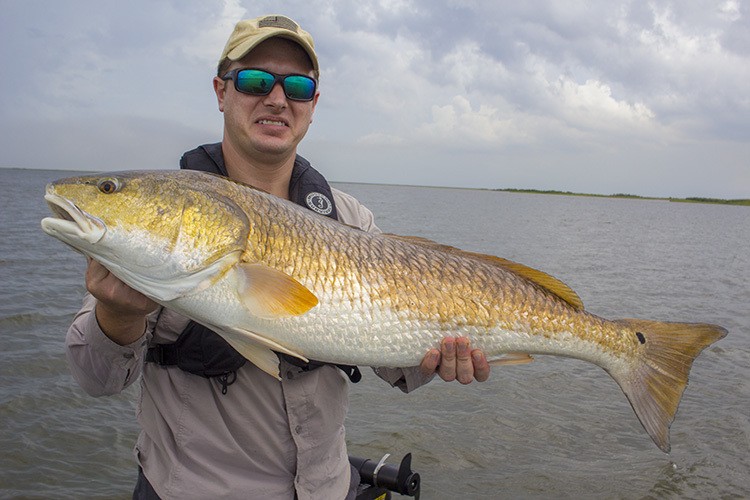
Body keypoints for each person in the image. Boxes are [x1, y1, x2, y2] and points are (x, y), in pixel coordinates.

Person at [66, 14, 491, 500]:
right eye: (254, 80)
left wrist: (446, 356)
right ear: (221, 92)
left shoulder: (350, 219)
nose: (276, 99)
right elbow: (95, 379)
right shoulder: (166, 224)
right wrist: (116, 315)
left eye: (298, 86)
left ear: (313, 104)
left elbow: (398, 363)